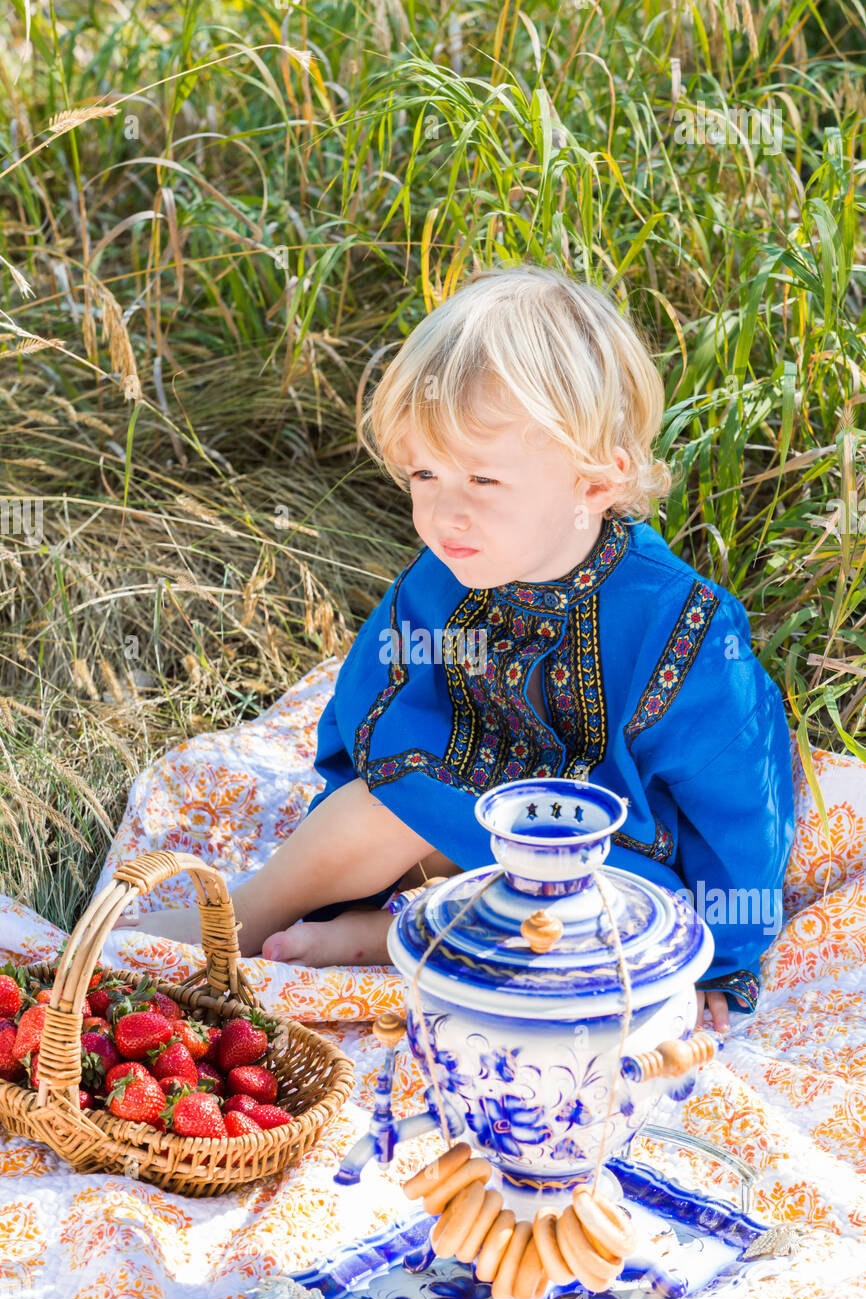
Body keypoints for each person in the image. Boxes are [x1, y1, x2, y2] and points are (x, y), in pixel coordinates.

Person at [117, 265, 796, 1033]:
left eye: (483, 478)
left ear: (595, 482)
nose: (447, 512)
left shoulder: (685, 626)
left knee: (610, 940)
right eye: (425, 473)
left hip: (599, 861)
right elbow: (371, 699)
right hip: (446, 811)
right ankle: (248, 911)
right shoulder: (441, 582)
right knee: (376, 810)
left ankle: (383, 940)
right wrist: (357, 809)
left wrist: (733, 957)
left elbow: (743, 799)